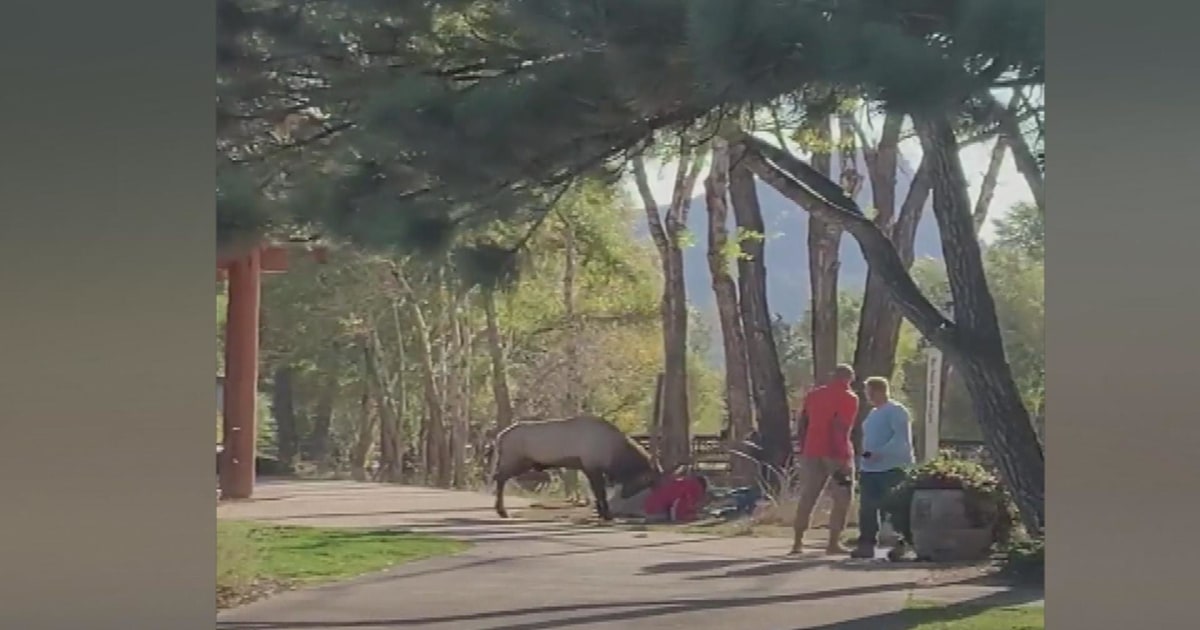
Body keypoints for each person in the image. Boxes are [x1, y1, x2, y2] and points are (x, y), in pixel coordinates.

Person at [790, 364, 859, 555]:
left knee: (809, 495)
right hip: (836, 453)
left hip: (812, 450)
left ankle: (797, 542)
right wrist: (842, 456)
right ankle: (833, 543)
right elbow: (840, 426)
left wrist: (803, 445)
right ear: (850, 378)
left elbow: (803, 422)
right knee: (842, 496)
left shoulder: (814, 395)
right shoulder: (849, 398)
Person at [851, 376, 916, 560]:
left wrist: (881, 453)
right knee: (867, 508)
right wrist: (865, 456)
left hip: (892, 468)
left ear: (880, 391)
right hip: (870, 469)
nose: (868, 396)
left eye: (870, 392)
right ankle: (866, 545)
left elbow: (901, 438)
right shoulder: (873, 414)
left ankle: (901, 544)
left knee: (895, 507)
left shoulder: (896, 410)